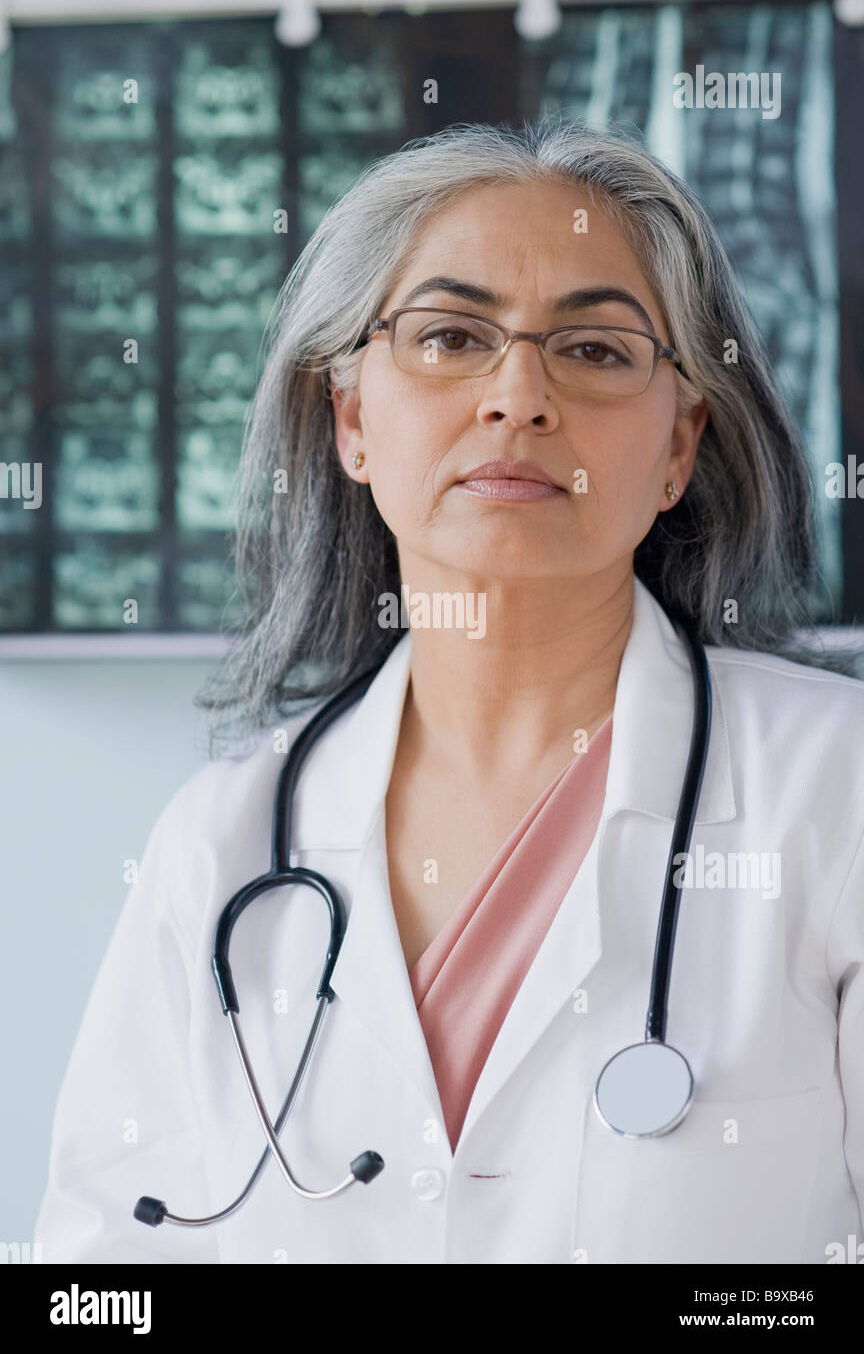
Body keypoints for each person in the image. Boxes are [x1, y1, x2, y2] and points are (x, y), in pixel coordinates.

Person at [35, 118, 864, 1265]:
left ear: (681, 446)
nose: (518, 395)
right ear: (354, 419)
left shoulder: (836, 792)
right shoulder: (220, 847)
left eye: (597, 350)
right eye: (451, 335)